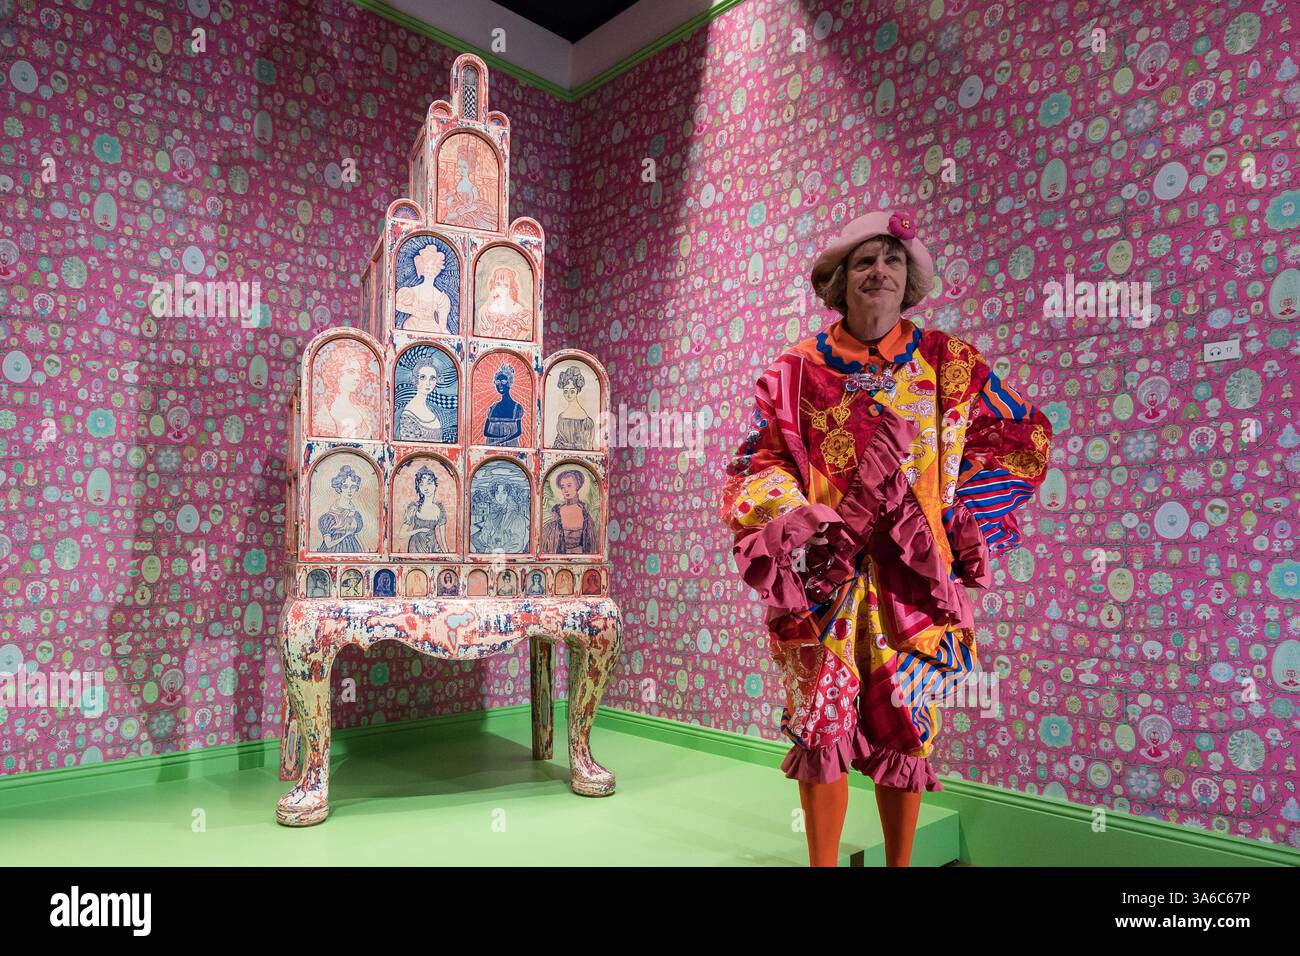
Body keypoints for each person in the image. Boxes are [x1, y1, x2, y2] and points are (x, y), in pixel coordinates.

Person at [720, 209, 1053, 867]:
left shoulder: (949, 362)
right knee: (822, 726)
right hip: (824, 584)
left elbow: (1022, 437)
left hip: (916, 586)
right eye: (865, 262)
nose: (880, 272)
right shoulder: (794, 371)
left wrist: (962, 521)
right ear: (840, 282)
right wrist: (798, 519)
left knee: (908, 729)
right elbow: (757, 464)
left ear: (911, 279)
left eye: (893, 260)